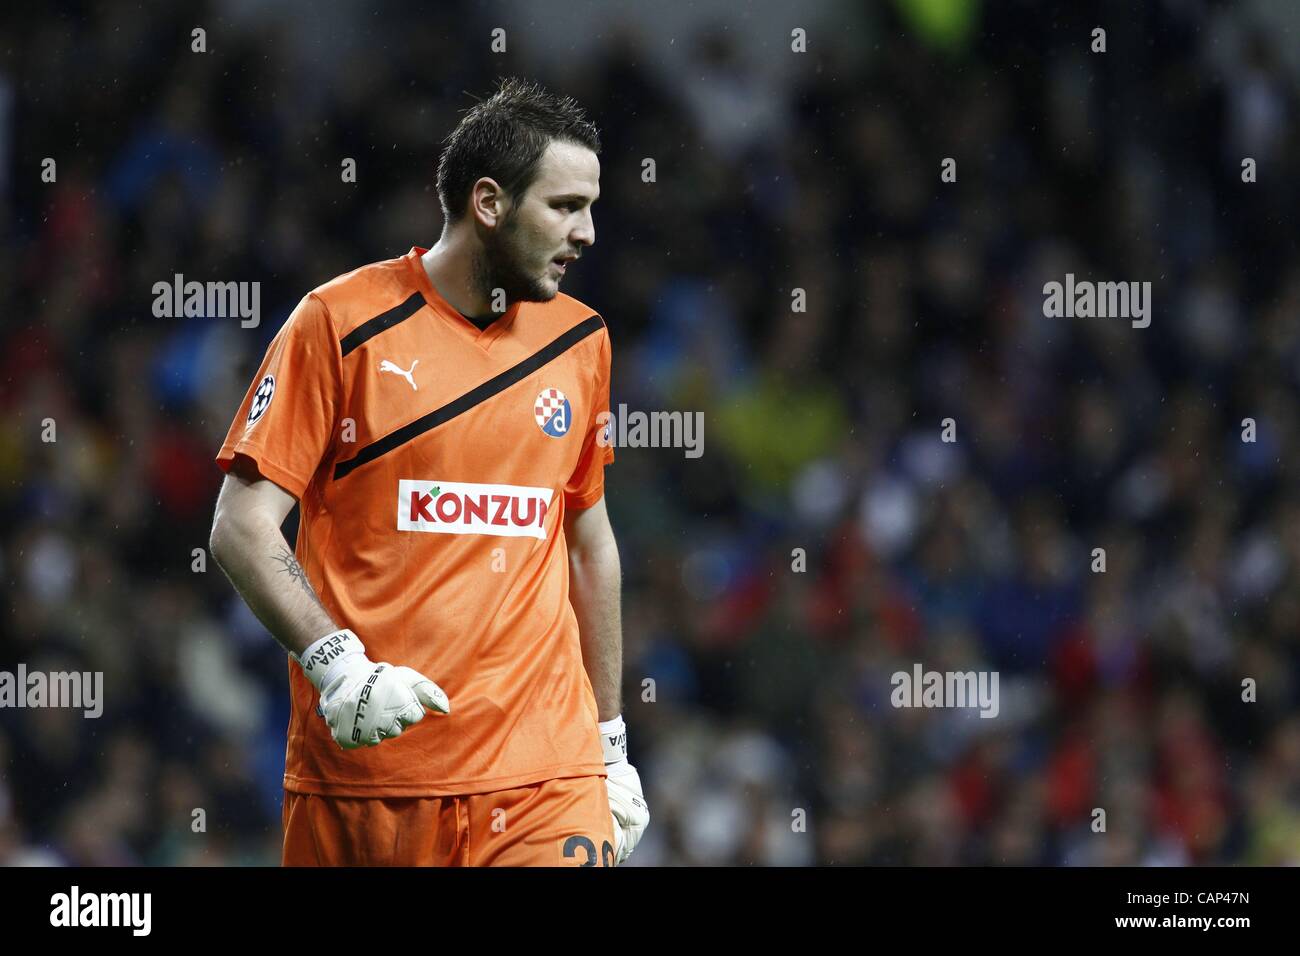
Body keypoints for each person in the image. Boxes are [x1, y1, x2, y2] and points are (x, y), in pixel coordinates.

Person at [208, 76, 647, 866]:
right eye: (565, 206)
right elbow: (241, 527)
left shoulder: (581, 341)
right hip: (369, 776)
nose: (587, 233)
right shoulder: (339, 324)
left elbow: (590, 542)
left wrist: (609, 744)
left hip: (542, 775)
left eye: (591, 207)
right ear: (489, 202)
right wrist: (336, 667)